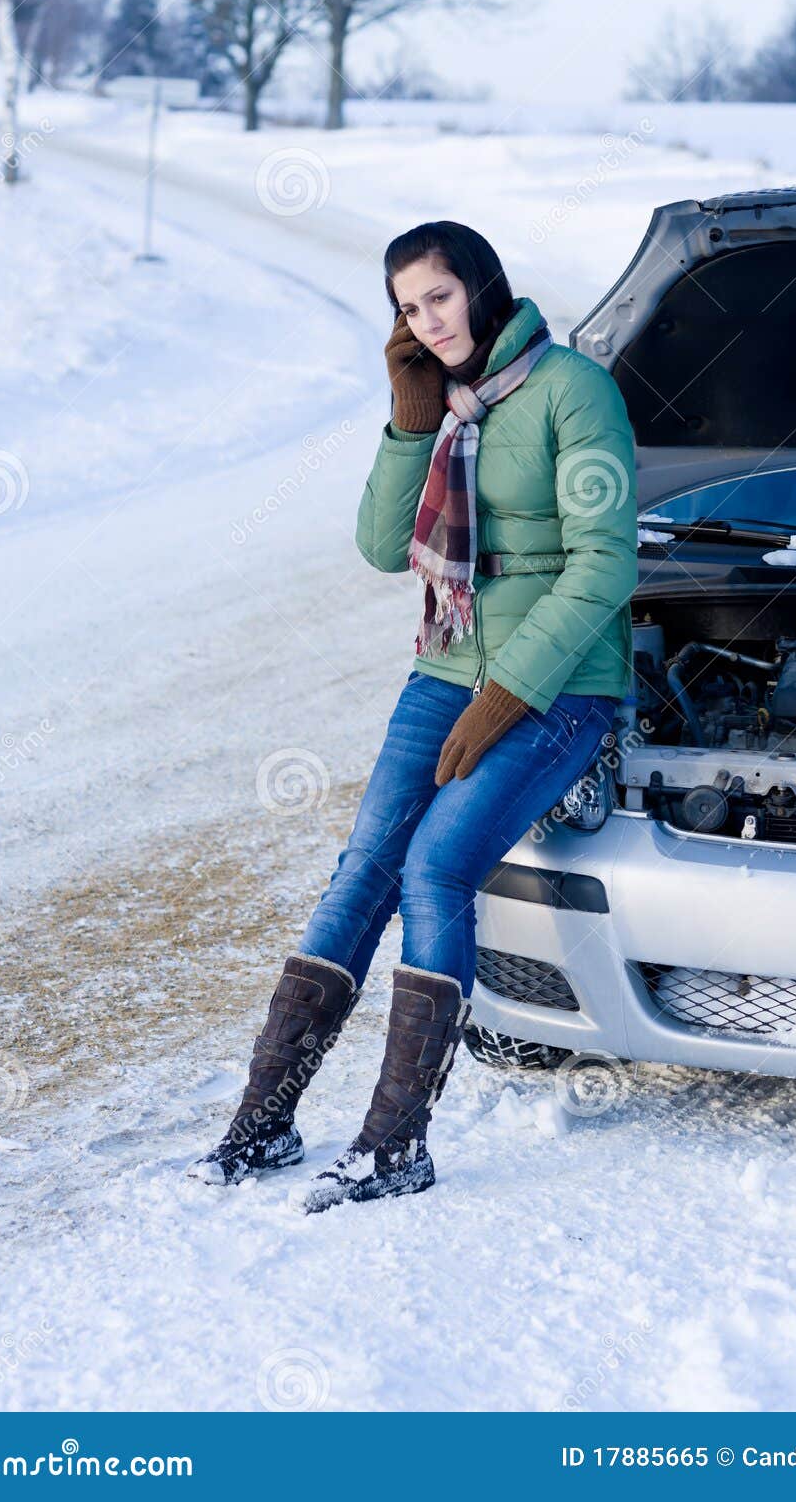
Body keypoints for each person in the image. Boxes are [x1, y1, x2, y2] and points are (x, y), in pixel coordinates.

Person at [189, 220, 638, 1212]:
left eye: (436, 296)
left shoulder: (572, 389)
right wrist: (406, 420)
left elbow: (606, 563)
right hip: (445, 665)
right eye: (403, 305)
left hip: (559, 684)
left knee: (435, 866)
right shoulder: (445, 402)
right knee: (362, 872)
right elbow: (382, 545)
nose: (422, 319)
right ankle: (261, 1127)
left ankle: (395, 1145)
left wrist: (510, 691)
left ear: (481, 288)